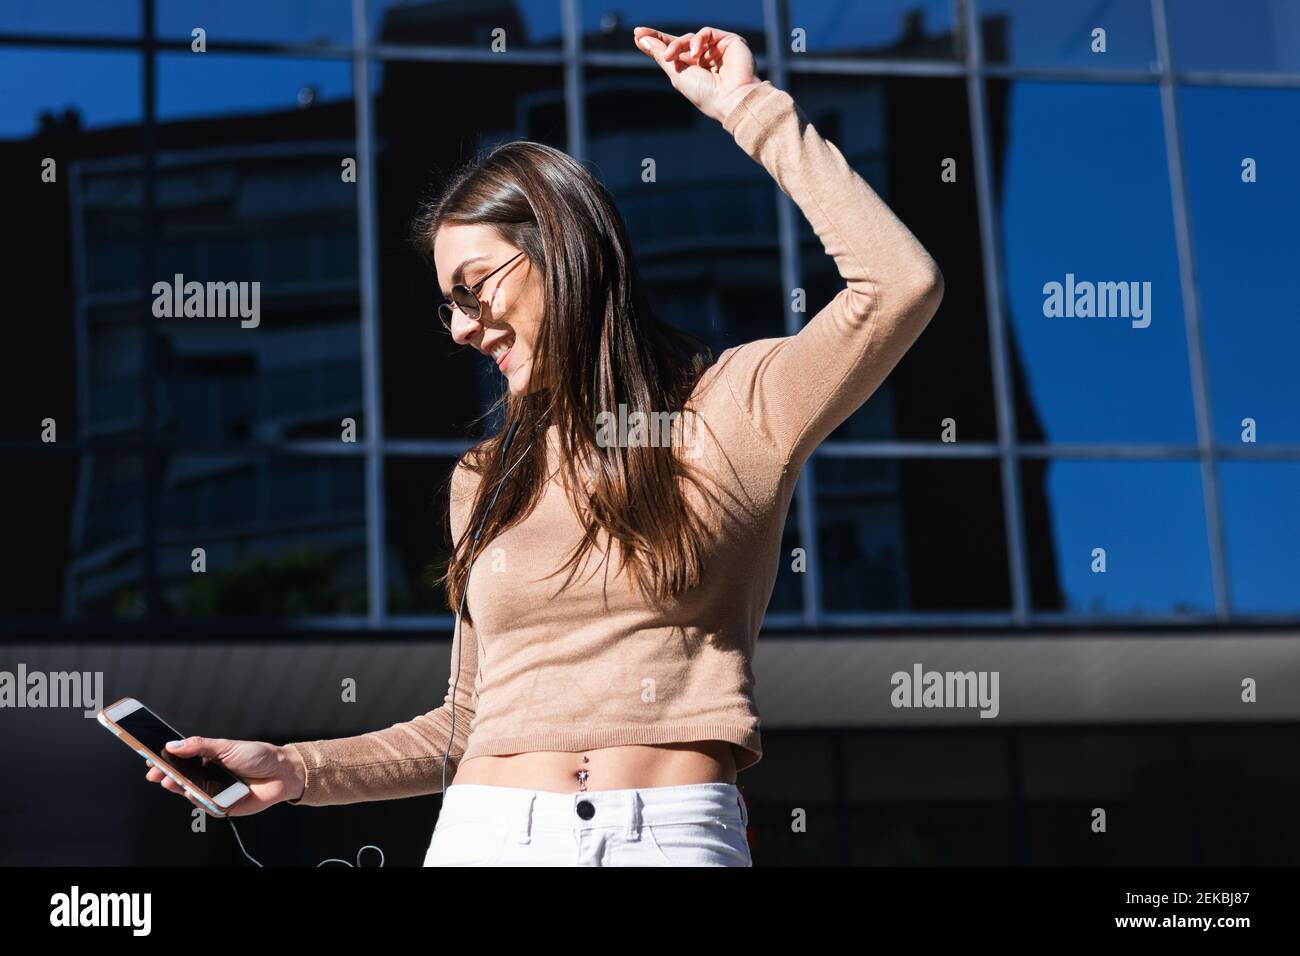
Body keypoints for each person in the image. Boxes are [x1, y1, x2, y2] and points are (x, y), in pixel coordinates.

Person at [146, 24, 943, 866]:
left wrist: (747, 106)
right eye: (448, 306)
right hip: (486, 834)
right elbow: (467, 716)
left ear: (560, 250)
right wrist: (295, 769)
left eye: (473, 288)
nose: (461, 327)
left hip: (669, 834)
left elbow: (899, 284)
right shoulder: (485, 477)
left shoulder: (737, 407)